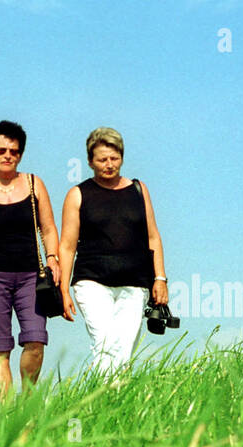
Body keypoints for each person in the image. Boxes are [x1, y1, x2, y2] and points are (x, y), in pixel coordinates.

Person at [57, 126, 169, 375]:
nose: (109, 164)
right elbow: (66, 246)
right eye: (102, 159)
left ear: (122, 157)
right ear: (90, 161)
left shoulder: (139, 190)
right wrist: (63, 289)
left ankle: (105, 403)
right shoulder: (77, 195)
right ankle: (104, 402)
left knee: (123, 346)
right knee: (105, 344)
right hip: (92, 281)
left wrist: (160, 278)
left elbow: (153, 236)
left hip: (135, 282)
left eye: (114, 158)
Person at [0, 120, 60, 401]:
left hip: (31, 276)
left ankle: (27, 401)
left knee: (35, 340)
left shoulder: (33, 184)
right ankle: (7, 414)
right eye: (2, 150)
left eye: (14, 151)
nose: (8, 156)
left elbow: (48, 227)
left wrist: (53, 258)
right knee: (0, 348)